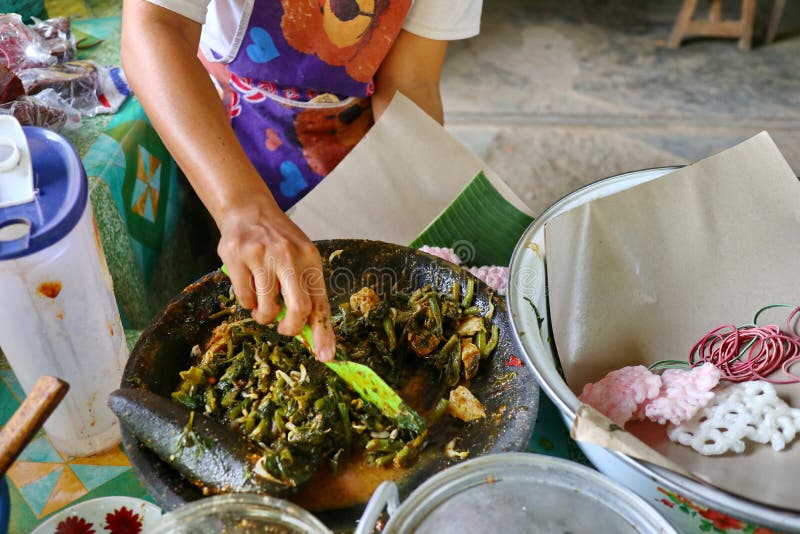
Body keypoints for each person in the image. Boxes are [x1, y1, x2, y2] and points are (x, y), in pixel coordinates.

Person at [120, 0, 483, 362]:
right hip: (222, 144)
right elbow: (155, 26)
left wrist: (423, 197)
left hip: (351, 146)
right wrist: (241, 209)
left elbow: (410, 79)